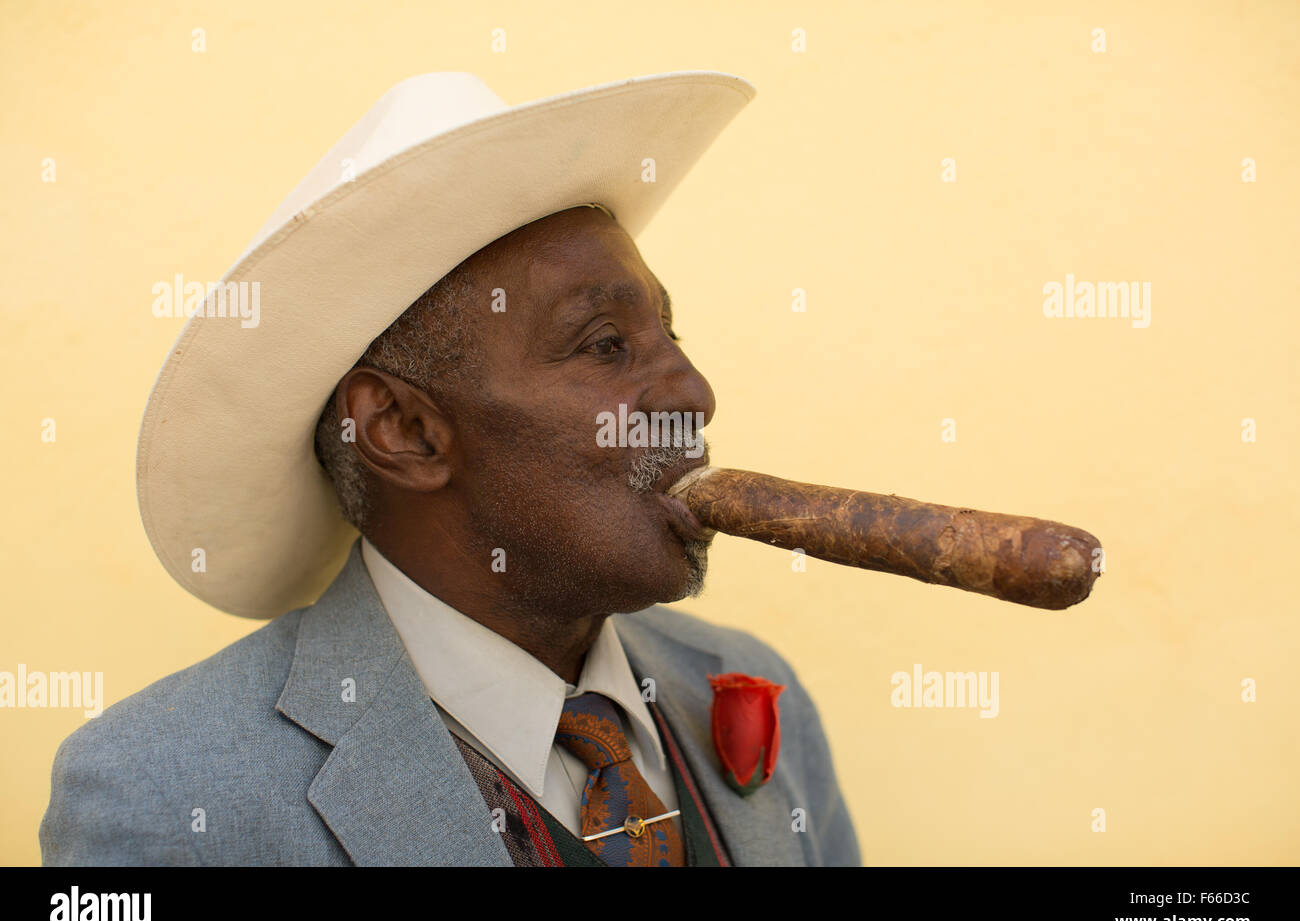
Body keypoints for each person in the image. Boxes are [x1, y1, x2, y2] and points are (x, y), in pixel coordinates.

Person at [39, 70, 859, 866]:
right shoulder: (162, 795)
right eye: (606, 344)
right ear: (406, 433)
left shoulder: (740, 683)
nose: (694, 394)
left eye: (672, 336)